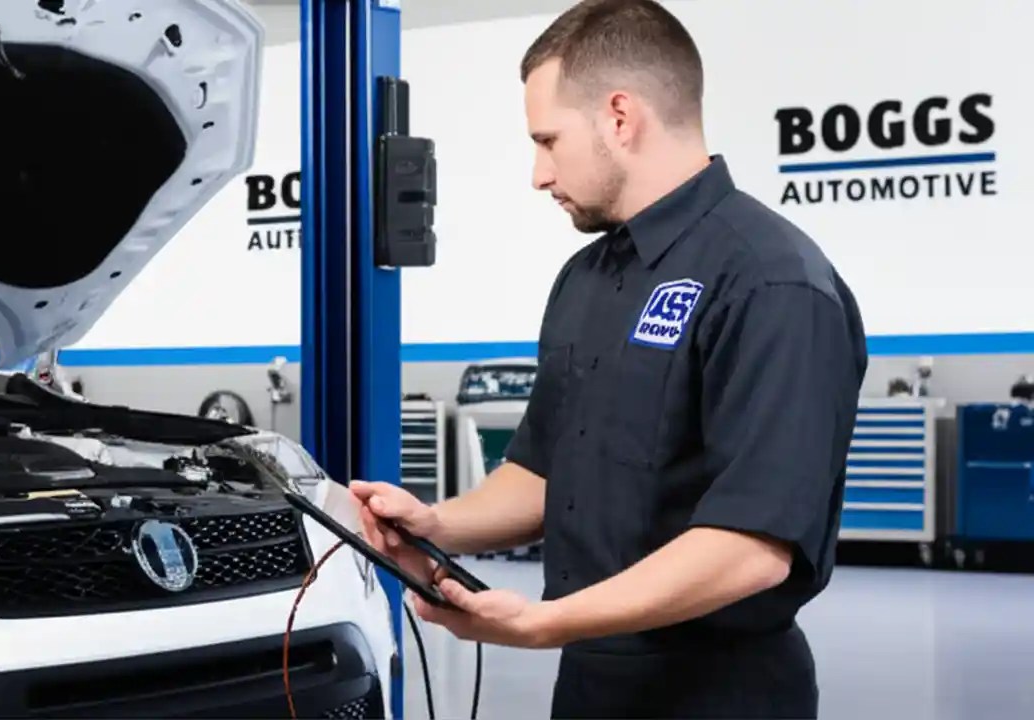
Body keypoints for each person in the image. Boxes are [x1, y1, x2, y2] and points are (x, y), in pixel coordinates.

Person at [348, 0, 868, 717]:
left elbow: (755, 545)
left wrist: (546, 621)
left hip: (719, 693)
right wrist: (438, 526)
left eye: (548, 140)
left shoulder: (771, 281)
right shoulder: (586, 280)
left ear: (619, 117)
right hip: (593, 683)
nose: (537, 173)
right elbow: (546, 473)